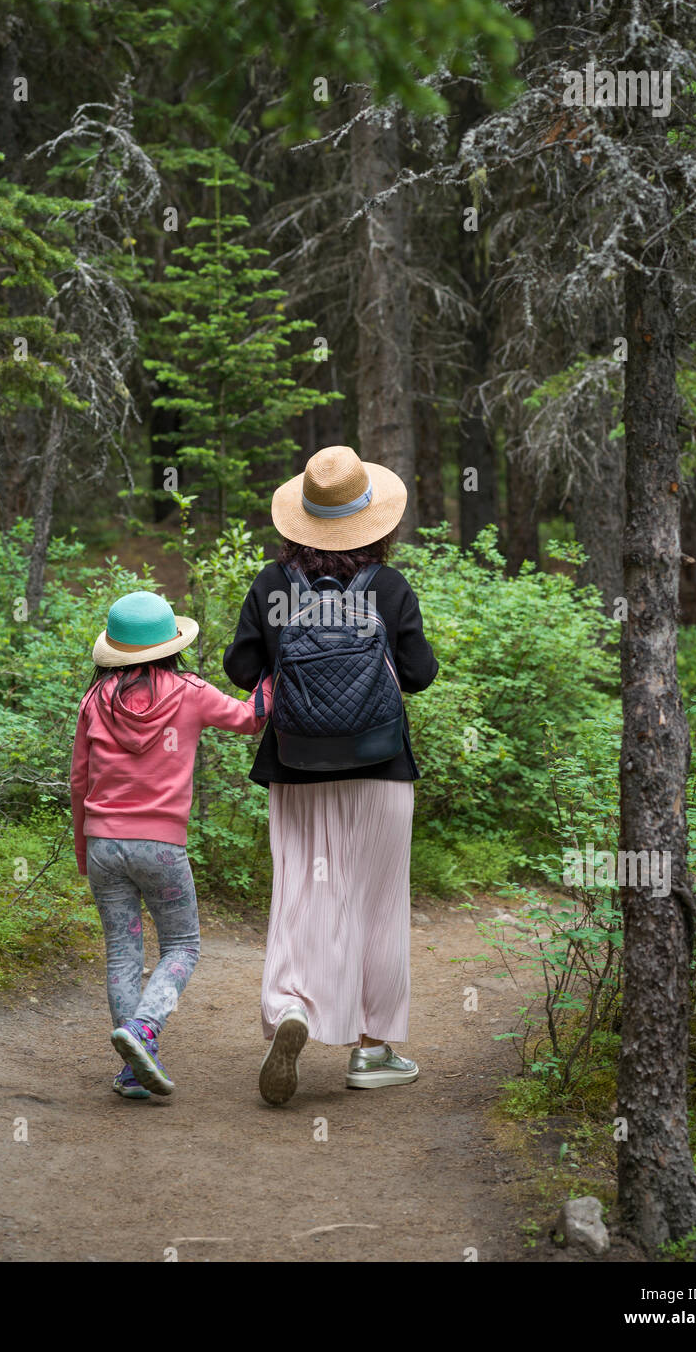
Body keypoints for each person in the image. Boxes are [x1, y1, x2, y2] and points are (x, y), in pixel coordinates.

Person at [223, 445, 438, 1105]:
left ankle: (292, 1006)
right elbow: (422, 674)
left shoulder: (271, 585)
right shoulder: (390, 588)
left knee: (302, 897)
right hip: (380, 768)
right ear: (373, 520)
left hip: (296, 765)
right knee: (376, 906)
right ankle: (371, 1053)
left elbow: (239, 671)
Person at [70, 590, 272, 1099]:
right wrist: (275, 669)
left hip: (102, 844)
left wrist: (82, 848)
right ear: (170, 643)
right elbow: (251, 718)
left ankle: (132, 1070)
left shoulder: (94, 700)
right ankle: (143, 1030)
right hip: (160, 845)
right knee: (181, 945)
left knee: (122, 951)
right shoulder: (191, 690)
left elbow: (78, 780)